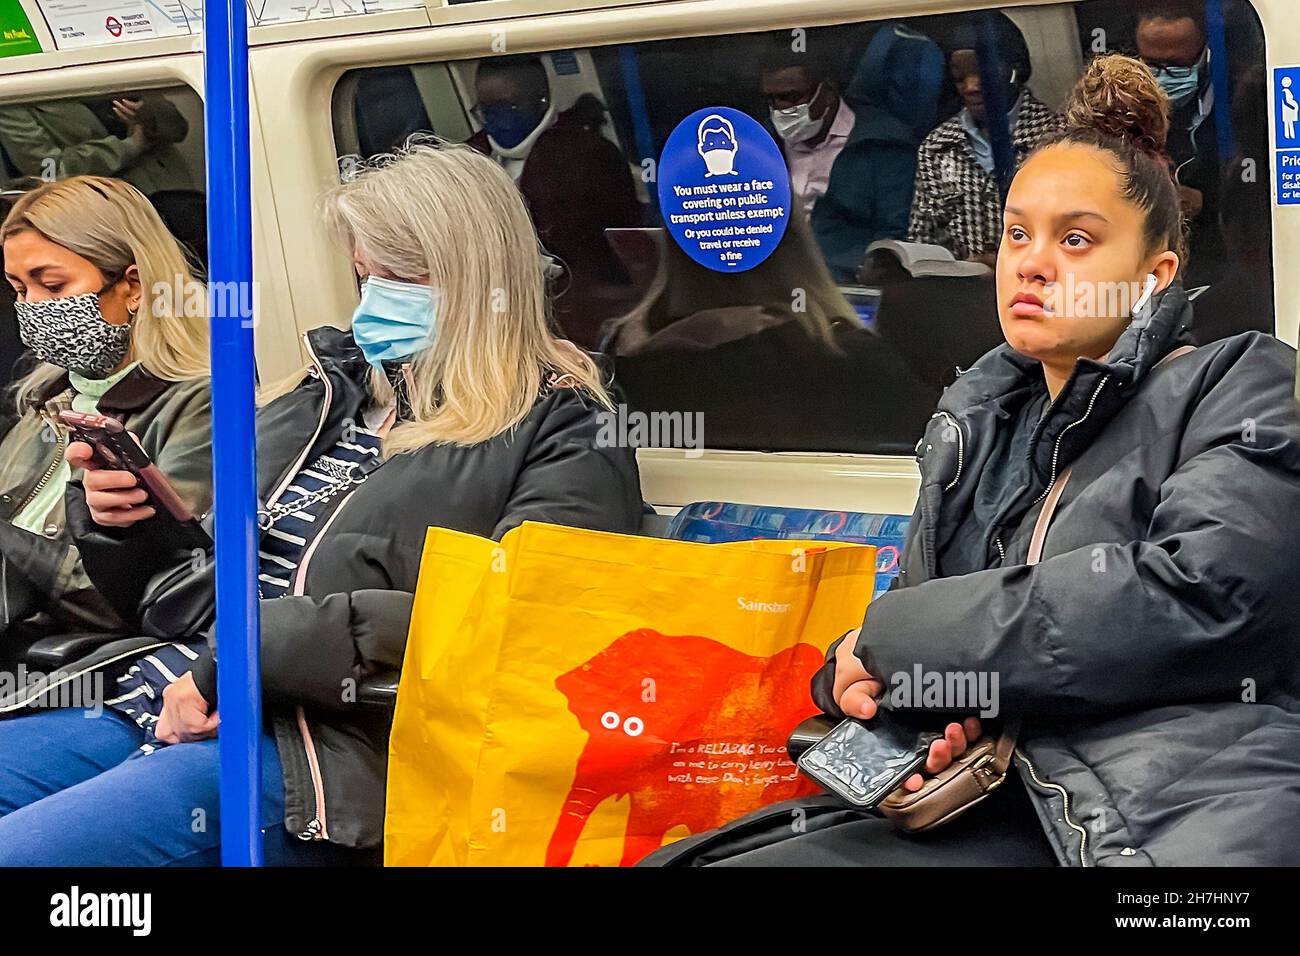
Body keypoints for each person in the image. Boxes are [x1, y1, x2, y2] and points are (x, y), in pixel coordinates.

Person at [643, 55, 1300, 867]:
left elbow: (1200, 599)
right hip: (995, 788)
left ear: (1153, 276)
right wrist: (861, 680)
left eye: (1077, 240)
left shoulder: (1241, 383)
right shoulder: (978, 422)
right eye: (1017, 232)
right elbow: (941, 629)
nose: (1030, 261)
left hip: (1164, 805)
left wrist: (892, 641)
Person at [0, 141, 644, 866]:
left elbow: (526, 620)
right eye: (365, 277)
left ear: (476, 277)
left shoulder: (565, 425)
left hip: (329, 742)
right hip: (172, 682)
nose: (373, 305)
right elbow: (185, 587)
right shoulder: (323, 395)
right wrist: (126, 528)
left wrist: (252, 648)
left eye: (401, 279)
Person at [0, 176, 211, 655]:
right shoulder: (47, 394)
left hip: (80, 659)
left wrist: (11, 548)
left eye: (52, 285)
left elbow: (166, 591)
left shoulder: (200, 402)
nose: (32, 307)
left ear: (132, 285)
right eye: (18, 288)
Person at [467, 55, 643, 346]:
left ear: (541, 99)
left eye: (511, 106)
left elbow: (622, 243)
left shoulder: (590, 154)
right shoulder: (468, 160)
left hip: (579, 311)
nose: (499, 118)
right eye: (488, 110)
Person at [761, 23, 946, 282]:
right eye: (772, 99)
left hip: (846, 282)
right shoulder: (762, 143)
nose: (781, 109)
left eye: (793, 98)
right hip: (773, 276)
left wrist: (863, 266)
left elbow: (892, 240)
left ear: (827, 90)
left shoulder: (883, 145)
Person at [906, 13, 1061, 264]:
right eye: (959, 78)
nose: (970, 86)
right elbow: (922, 240)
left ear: (1014, 69)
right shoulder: (937, 147)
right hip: (961, 294)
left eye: (982, 72)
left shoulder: (1057, 138)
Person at [1135, 0, 1224, 284]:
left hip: (1222, 261)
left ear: (1205, 55)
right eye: (1151, 65)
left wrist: (1209, 204)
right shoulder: (1131, 110)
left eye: (1176, 66)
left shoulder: (1242, 103)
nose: (1161, 78)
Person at [0, 93, 195, 197]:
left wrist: (152, 115)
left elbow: (179, 129)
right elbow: (48, 170)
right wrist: (131, 146)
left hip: (173, 191)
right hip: (108, 206)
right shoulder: (15, 93)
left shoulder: (108, 55)